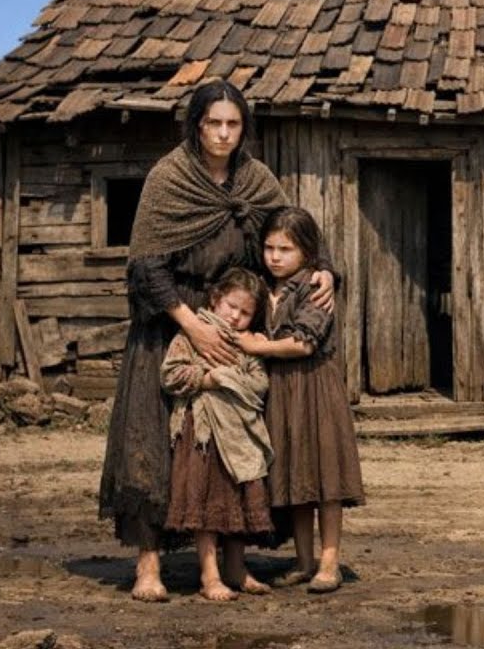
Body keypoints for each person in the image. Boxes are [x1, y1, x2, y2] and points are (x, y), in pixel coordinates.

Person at [98, 80, 336, 602]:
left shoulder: (256, 178)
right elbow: (146, 264)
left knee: (232, 438)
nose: (224, 134)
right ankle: (149, 567)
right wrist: (193, 324)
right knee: (153, 446)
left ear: (243, 128)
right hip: (169, 325)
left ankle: (231, 563)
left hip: (231, 319)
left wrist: (325, 270)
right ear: (196, 125)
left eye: (233, 124)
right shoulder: (170, 177)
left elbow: (291, 232)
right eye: (214, 124)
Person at [237, 207, 364, 594]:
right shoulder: (263, 287)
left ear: (307, 252)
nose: (275, 256)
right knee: (294, 475)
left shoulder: (315, 288)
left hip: (314, 389)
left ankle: (329, 561)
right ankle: (304, 561)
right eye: (269, 248)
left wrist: (256, 345)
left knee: (326, 478)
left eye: (285, 249)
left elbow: (303, 343)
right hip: (279, 392)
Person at [161, 267, 273, 601]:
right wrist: (211, 380)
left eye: (245, 312)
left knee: (236, 502)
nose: (236, 316)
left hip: (239, 436)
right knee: (208, 504)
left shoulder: (247, 345)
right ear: (215, 299)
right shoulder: (192, 337)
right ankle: (209, 575)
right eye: (231, 306)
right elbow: (171, 375)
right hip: (203, 435)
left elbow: (260, 383)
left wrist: (227, 377)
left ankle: (237, 568)